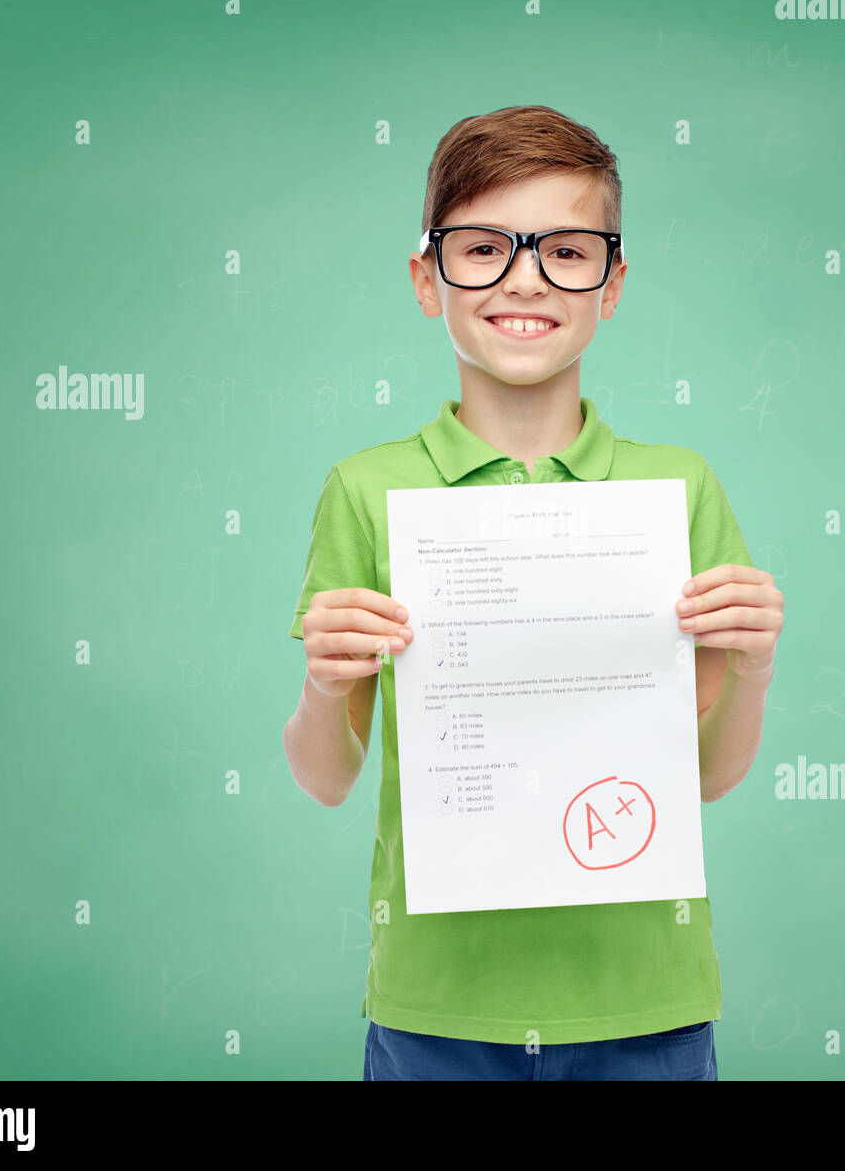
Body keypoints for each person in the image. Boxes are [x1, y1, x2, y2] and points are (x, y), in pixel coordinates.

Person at [282, 105, 784, 1081]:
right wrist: (319, 680)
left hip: (646, 1004)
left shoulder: (677, 489)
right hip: (438, 1008)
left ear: (613, 282)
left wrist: (754, 668)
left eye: (564, 248)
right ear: (427, 278)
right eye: (482, 247)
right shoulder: (366, 489)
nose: (524, 278)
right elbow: (324, 775)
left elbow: (710, 776)